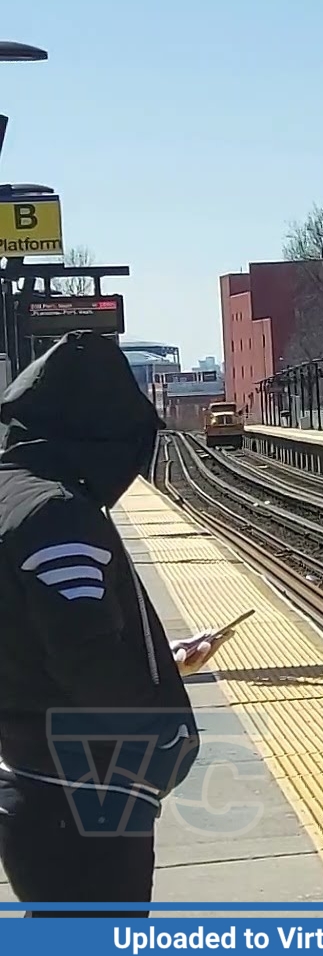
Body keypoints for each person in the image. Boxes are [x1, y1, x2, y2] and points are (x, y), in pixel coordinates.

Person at [0, 331, 226, 916]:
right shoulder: (56, 513)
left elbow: (44, 634)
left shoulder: (11, 493)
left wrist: (160, 661)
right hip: (86, 800)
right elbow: (89, 660)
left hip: (32, 777)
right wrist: (154, 734)